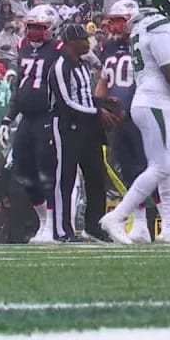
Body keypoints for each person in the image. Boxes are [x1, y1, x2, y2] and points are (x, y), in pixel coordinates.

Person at [99, 0, 170, 245]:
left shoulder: (140, 27)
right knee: (161, 166)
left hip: (147, 100)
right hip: (156, 101)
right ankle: (117, 217)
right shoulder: (159, 26)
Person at [93, 0, 155, 242]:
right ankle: (139, 224)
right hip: (118, 119)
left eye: (119, 21)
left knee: (149, 169)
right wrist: (98, 105)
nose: (113, 27)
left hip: (141, 115)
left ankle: (163, 222)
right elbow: (103, 80)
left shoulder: (144, 44)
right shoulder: (107, 47)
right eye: (113, 22)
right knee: (128, 170)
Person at [2, 4, 63, 243]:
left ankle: (53, 223)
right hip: (27, 117)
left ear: (53, 28)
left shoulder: (60, 49)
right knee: (23, 170)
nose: (34, 33)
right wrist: (9, 116)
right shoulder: (23, 46)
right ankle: (44, 222)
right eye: (31, 27)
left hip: (49, 116)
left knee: (48, 171)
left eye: (40, 28)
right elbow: (20, 84)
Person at [49, 23, 116, 242]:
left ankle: (93, 227)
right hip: (67, 127)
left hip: (88, 127)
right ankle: (62, 231)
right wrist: (97, 111)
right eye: (83, 40)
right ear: (71, 43)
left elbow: (84, 98)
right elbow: (66, 103)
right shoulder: (60, 66)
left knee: (96, 178)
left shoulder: (83, 65)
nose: (88, 43)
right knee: (65, 179)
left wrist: (103, 102)